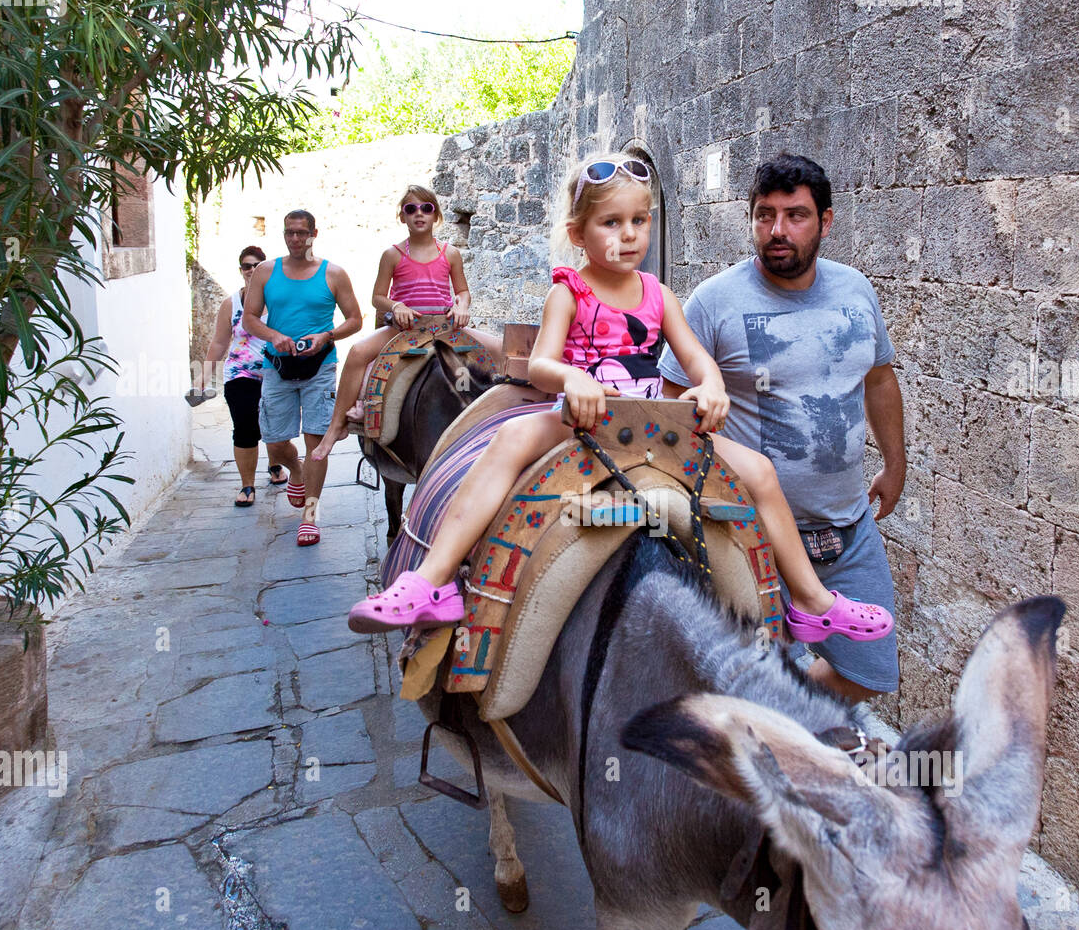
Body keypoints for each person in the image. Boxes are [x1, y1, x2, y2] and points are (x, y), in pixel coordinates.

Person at [346, 152, 893, 644]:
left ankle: (811, 600)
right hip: (583, 418)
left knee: (761, 474)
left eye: (639, 221)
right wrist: (573, 380)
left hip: (655, 423)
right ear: (579, 234)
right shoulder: (570, 291)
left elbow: (695, 356)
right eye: (612, 223)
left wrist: (711, 383)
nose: (629, 235)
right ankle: (433, 579)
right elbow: (541, 361)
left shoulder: (658, 294)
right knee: (511, 438)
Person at [658, 152, 907, 703]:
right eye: (764, 215)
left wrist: (895, 463)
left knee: (869, 674)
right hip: (745, 534)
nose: (777, 230)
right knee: (744, 679)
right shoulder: (714, 302)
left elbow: (880, 379)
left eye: (795, 215)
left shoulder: (855, 290)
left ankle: (783, 721)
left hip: (847, 527)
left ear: (826, 221)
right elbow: (672, 406)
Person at [311, 185, 471, 462]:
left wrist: (462, 305)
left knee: (500, 350)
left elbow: (463, 291)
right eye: (411, 209)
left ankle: (500, 418)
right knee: (358, 353)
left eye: (426, 208)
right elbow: (377, 297)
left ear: (436, 216)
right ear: (402, 217)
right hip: (406, 331)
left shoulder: (451, 253)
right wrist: (396, 306)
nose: (418, 214)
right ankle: (338, 425)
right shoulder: (393, 255)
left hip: (446, 329)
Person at [240, 209, 364, 545]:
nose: (295, 239)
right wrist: (273, 335)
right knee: (275, 441)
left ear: (314, 234)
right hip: (277, 367)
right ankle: (295, 472)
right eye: (289, 233)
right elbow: (250, 318)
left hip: (320, 368)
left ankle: (310, 516)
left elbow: (355, 320)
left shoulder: (333, 274)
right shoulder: (265, 272)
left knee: (317, 445)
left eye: (302, 233)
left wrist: (327, 336)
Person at [199, 244, 291, 506]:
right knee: (245, 428)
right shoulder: (231, 303)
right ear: (241, 270)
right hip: (240, 375)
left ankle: (275, 466)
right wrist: (204, 374)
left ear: (265, 268)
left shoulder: (278, 300)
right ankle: (247, 486)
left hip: (277, 373)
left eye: (256, 265)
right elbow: (219, 342)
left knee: (275, 429)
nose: (251, 270)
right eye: (246, 266)